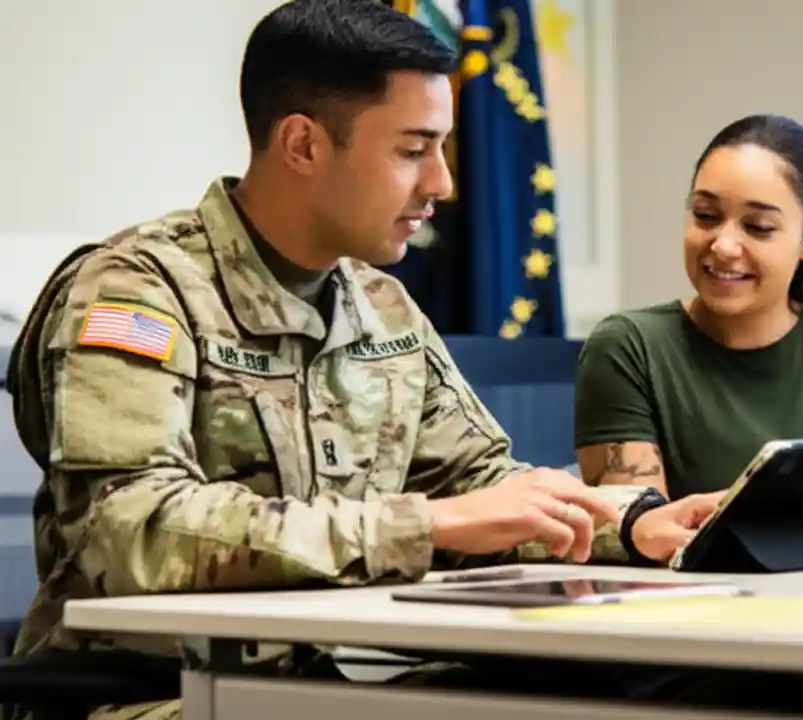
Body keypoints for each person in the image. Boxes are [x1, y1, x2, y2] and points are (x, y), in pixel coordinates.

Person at [0, 2, 723, 719]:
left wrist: (622, 527)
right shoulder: (139, 291)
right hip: (148, 695)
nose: (442, 183)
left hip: (329, 683)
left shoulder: (383, 304)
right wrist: (428, 527)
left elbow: (477, 485)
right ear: (304, 145)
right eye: (413, 150)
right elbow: (134, 531)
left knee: (676, 692)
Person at [574, 113, 803, 517]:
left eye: (759, 226)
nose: (724, 245)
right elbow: (641, 532)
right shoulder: (627, 348)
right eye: (705, 215)